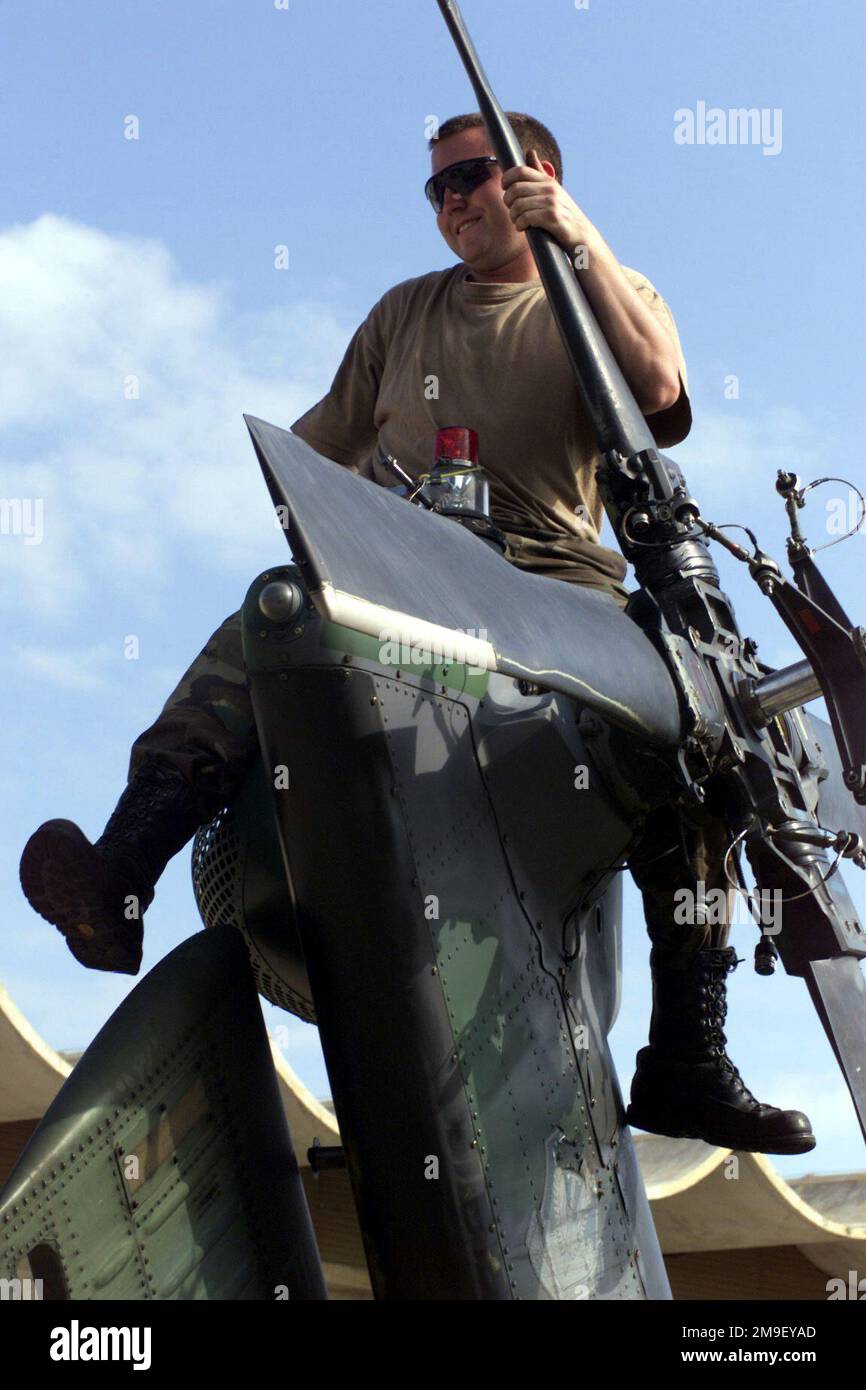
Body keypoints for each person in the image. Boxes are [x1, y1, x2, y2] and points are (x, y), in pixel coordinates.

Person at [19, 112, 814, 1155]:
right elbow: (311, 458)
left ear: (535, 179)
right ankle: (124, 872)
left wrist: (578, 238)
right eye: (433, 189)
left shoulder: (593, 299)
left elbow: (660, 391)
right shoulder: (401, 316)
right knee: (264, 618)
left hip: (554, 589)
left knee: (702, 738)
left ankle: (686, 1060)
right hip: (413, 566)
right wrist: (345, 530)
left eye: (471, 179)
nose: (449, 203)